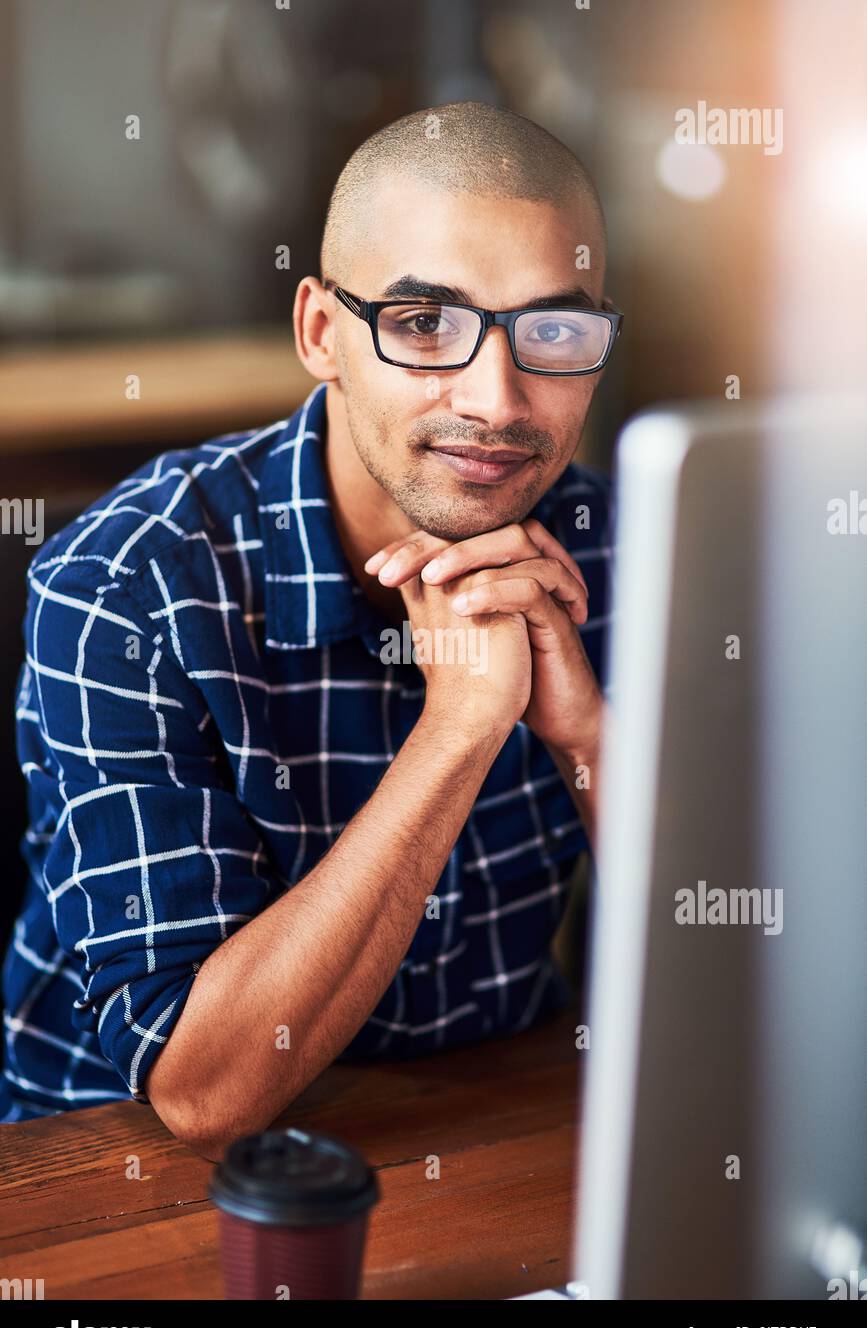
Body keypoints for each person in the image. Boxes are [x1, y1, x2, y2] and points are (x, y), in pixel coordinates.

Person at [0, 101, 621, 1156]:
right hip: (112, 1182)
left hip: (486, 1141)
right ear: (322, 334)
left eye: (553, 331)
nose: (497, 397)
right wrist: (460, 728)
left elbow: (746, 992)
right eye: (427, 324)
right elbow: (200, 1090)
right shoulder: (129, 584)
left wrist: (591, 743)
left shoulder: (623, 545)